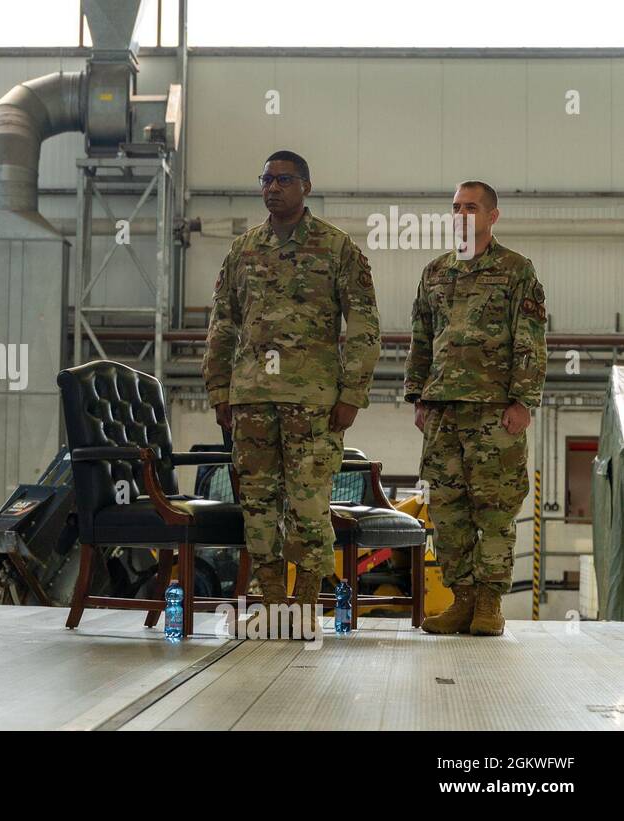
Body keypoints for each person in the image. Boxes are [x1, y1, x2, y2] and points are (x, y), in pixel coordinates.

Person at [202, 150, 381, 638]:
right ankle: (270, 602)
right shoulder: (242, 250)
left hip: (314, 401)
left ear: (306, 185)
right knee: (258, 504)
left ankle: (304, 603)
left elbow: (364, 323)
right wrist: (219, 387)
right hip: (251, 399)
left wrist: (352, 392)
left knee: (307, 505)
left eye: (283, 179)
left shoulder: (336, 247)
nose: (272, 187)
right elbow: (222, 323)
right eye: (266, 179)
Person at [407, 181, 547, 636]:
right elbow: (421, 339)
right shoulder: (434, 273)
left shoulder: (515, 271)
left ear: (492, 216)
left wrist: (523, 400)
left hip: (495, 411)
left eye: (471, 207)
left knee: (495, 508)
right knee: (446, 508)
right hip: (443, 409)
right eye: (455, 207)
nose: (462, 214)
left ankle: (489, 603)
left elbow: (530, 340)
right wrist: (418, 396)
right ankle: (461, 601)